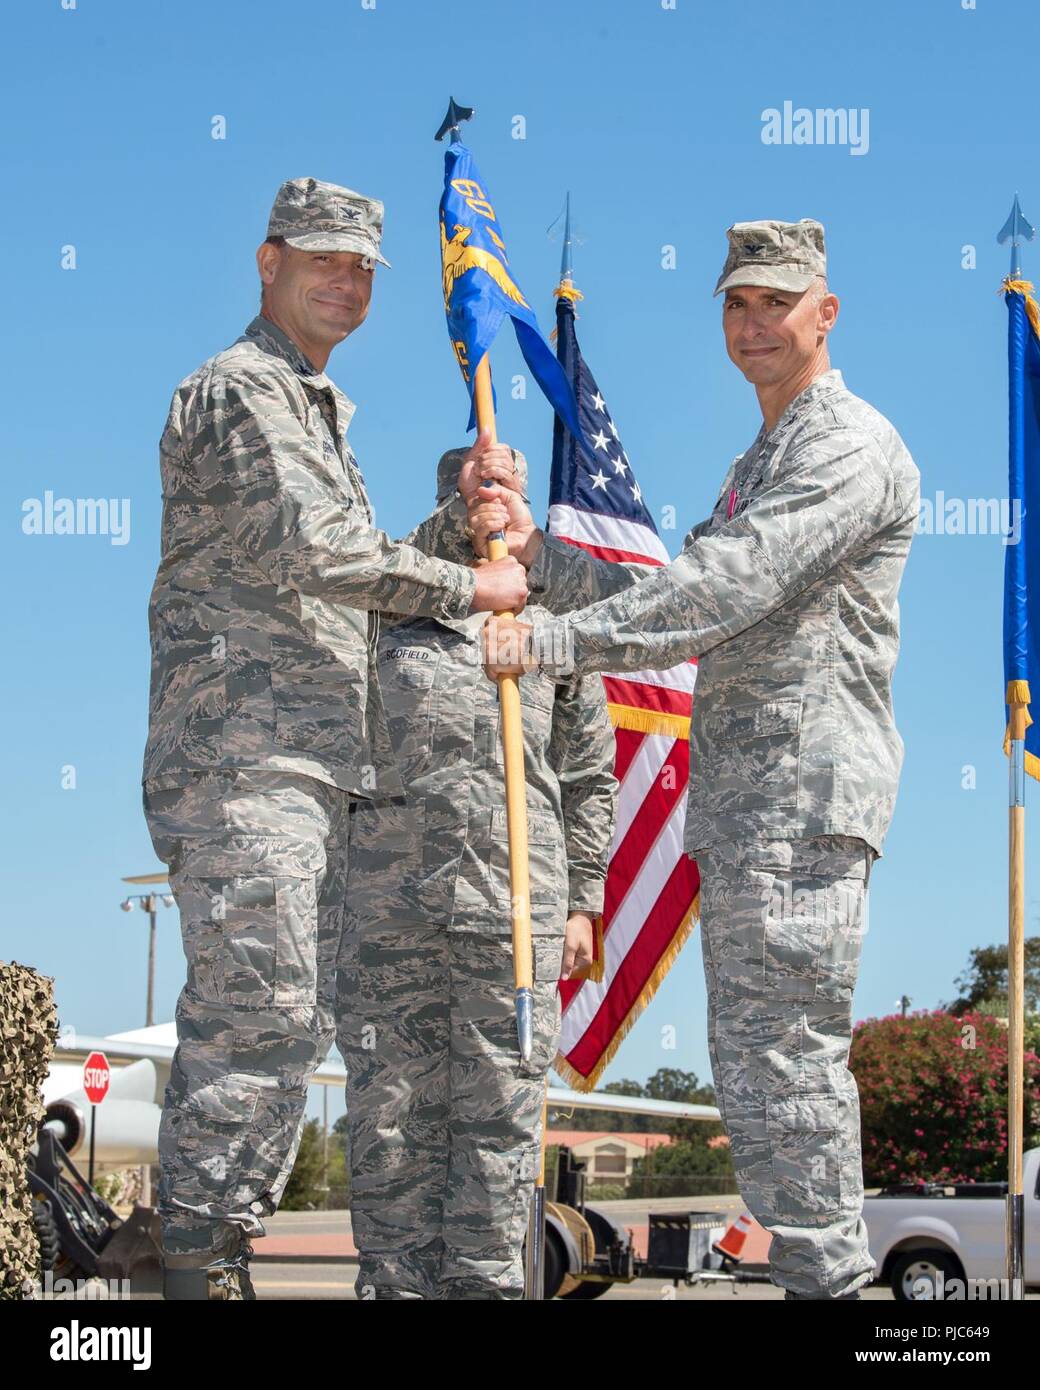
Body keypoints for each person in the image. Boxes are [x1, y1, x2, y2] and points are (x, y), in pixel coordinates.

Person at [473, 219, 920, 1300]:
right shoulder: (761, 458)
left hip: (799, 802)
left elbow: (722, 590)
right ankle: (825, 1285)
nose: (752, 322)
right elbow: (671, 594)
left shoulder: (847, 443)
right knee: (759, 1078)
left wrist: (544, 638)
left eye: (775, 301)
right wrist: (540, 557)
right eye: (735, 303)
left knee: (788, 1070)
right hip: (750, 812)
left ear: (825, 312)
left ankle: (843, 1298)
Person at [142, 176, 527, 1299]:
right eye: (323, 259)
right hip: (243, 752)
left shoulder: (312, 405)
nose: (345, 280)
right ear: (267, 262)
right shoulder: (240, 392)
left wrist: (460, 520)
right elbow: (322, 549)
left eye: (362, 266)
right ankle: (190, 1263)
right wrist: (475, 577)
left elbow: (350, 565)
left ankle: (202, 1247)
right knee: (258, 1009)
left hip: (312, 763)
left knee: (288, 1011)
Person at [337, 446, 618, 1299]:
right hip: (392, 911)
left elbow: (589, 773)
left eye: (506, 487)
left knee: (499, 1127)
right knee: (390, 1126)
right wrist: (456, 518)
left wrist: (585, 901)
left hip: (514, 910)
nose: (491, 498)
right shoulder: (386, 600)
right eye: (475, 485)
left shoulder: (549, 622)